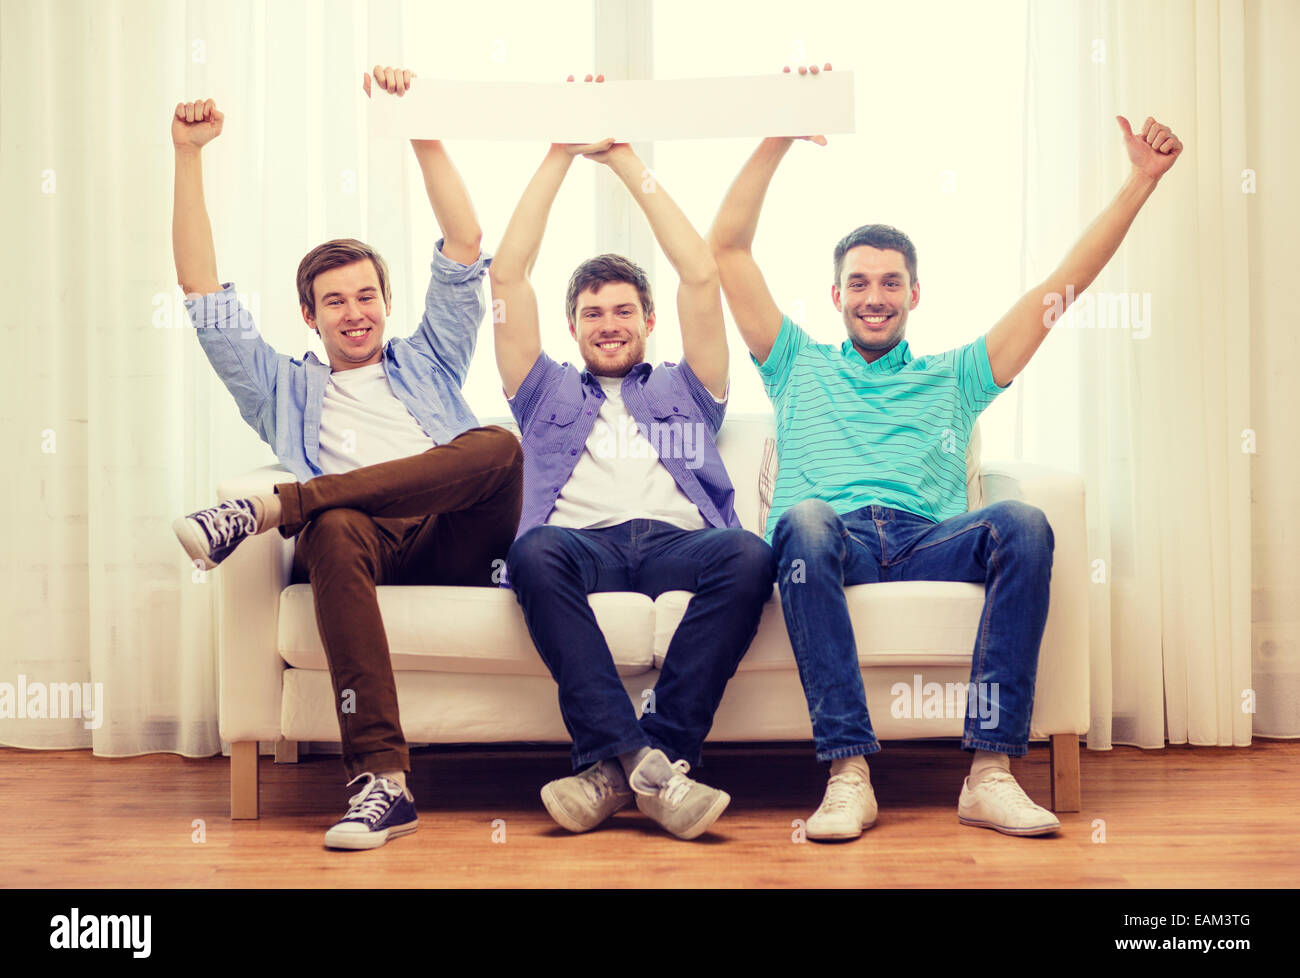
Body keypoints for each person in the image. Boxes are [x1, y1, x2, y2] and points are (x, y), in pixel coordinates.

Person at [708, 63, 1183, 841]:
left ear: (914, 295)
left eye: (890, 283)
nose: (873, 296)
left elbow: (1059, 292)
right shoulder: (797, 362)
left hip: (928, 537)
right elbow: (726, 249)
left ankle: (991, 772)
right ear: (835, 297)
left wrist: (1140, 183)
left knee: (1023, 523)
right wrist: (779, 134)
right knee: (803, 521)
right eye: (858, 282)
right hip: (833, 537)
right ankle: (849, 772)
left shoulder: (954, 376)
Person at [169, 67, 522, 850]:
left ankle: (274, 509)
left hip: (453, 536)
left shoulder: (429, 360)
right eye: (335, 301)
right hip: (360, 549)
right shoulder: (280, 390)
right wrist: (187, 156)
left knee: (498, 446)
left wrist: (421, 124)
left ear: (385, 303)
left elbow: (464, 246)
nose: (355, 313)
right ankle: (382, 784)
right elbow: (199, 291)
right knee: (330, 530)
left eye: (366, 296)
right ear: (310, 314)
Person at [491, 77, 776, 841]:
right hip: (582, 548)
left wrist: (621, 159)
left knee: (749, 554)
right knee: (533, 553)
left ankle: (624, 768)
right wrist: (558, 150)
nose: (609, 324)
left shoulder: (689, 387)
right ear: (572, 326)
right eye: (592, 314)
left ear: (649, 321)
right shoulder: (542, 390)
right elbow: (507, 276)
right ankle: (654, 770)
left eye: (624, 312)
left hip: (677, 542)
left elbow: (702, 274)